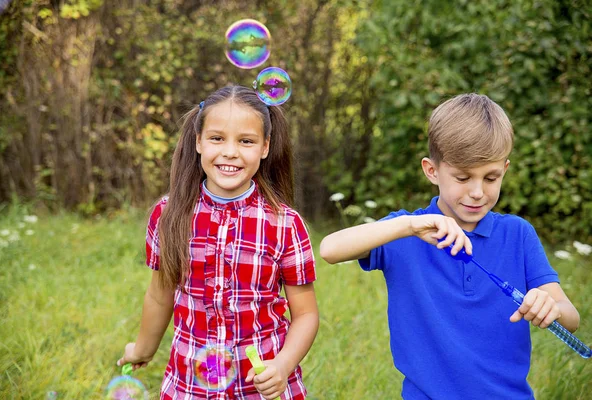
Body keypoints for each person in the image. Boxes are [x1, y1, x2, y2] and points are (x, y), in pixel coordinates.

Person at [319, 93, 580, 399]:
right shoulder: (406, 231)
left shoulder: (518, 235)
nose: (477, 192)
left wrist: (551, 307)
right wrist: (409, 226)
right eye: (462, 177)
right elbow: (330, 249)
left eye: (491, 177)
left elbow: (571, 318)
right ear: (432, 170)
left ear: (505, 170)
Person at [118, 85, 319, 400]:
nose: (230, 152)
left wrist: (282, 365)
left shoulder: (284, 224)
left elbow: (305, 314)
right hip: (190, 386)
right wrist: (141, 348)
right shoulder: (169, 214)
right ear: (198, 141)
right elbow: (160, 295)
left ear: (265, 147)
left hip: (259, 387)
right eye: (217, 138)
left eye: (246, 141)